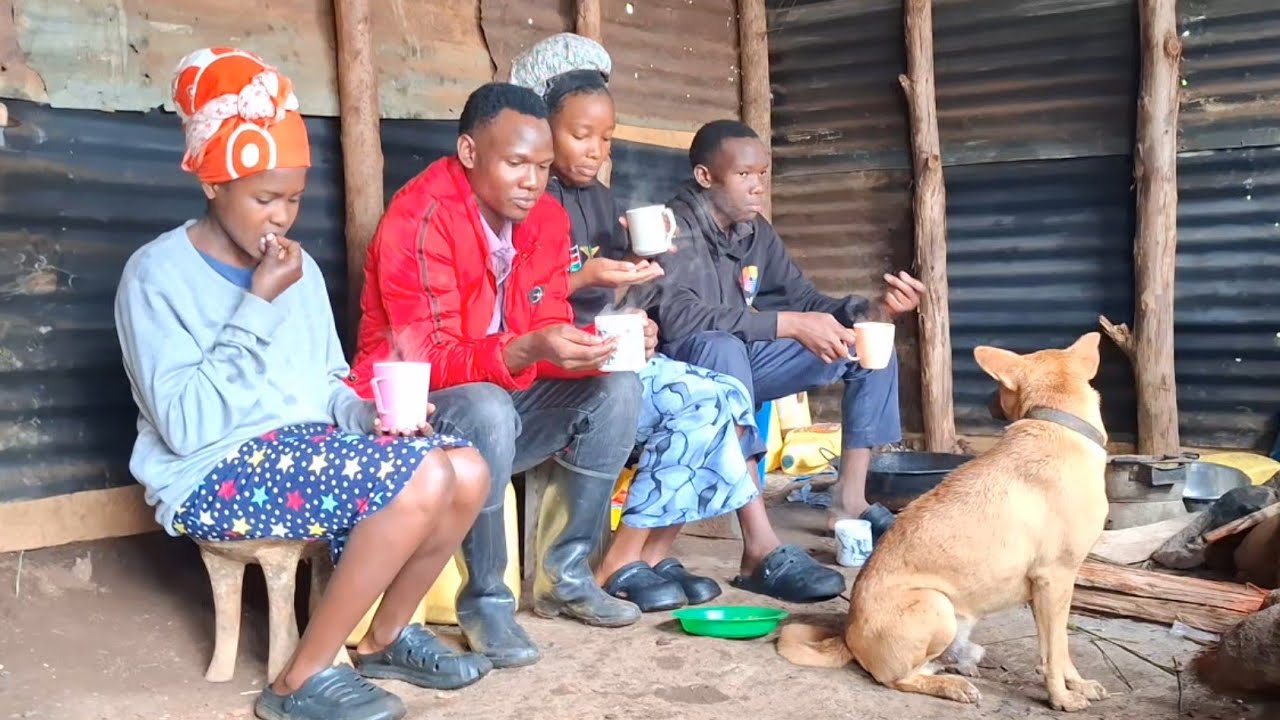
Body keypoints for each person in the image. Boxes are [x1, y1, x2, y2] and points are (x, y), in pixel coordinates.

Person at [115, 48, 492, 720]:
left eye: (291, 199)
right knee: (423, 478)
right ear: (212, 185)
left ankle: (383, 638)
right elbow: (184, 424)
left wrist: (367, 413)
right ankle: (298, 680)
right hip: (213, 469)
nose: (281, 218)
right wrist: (255, 306)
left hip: (304, 448)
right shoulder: (155, 276)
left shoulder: (302, 271)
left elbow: (322, 382)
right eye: (264, 198)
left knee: (464, 466)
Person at [509, 33, 846, 608]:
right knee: (704, 389)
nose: (594, 151)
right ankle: (620, 562)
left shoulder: (603, 203)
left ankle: (649, 554)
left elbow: (615, 303)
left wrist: (637, 318)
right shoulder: (527, 202)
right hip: (542, 376)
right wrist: (595, 285)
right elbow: (520, 302)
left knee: (720, 397)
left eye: (606, 139)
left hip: (596, 359)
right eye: (580, 135)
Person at [349, 81, 645, 670]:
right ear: (467, 152)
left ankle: (565, 575)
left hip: (505, 400)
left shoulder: (547, 220)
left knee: (619, 387)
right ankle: (486, 599)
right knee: (485, 406)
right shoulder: (420, 219)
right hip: (409, 414)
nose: (532, 181)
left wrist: (591, 346)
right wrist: (522, 351)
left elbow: (548, 320)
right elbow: (422, 356)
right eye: (515, 164)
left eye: (540, 166)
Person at [652, 119, 928, 546]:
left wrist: (875, 310)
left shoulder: (753, 231)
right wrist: (788, 325)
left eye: (762, 174)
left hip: (745, 359)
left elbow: (802, 300)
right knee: (721, 347)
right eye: (743, 175)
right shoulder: (672, 229)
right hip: (683, 374)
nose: (758, 186)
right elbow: (680, 320)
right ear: (705, 177)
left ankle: (849, 500)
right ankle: (759, 538)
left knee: (869, 343)